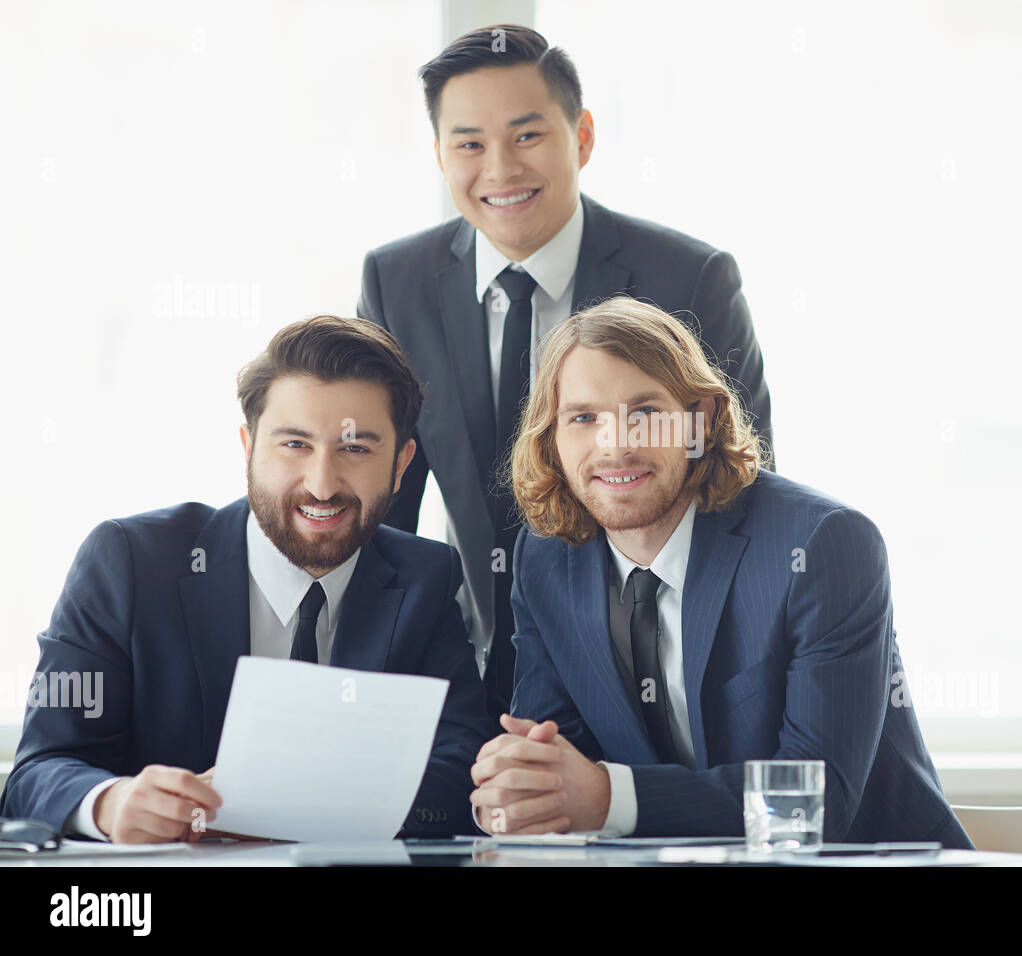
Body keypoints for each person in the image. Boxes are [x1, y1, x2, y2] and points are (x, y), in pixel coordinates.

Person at [358, 24, 774, 713]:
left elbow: (742, 486)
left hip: (644, 664)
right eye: (469, 144)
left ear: (581, 136)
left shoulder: (690, 278)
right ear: (439, 155)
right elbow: (383, 499)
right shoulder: (396, 280)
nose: (499, 170)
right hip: (463, 666)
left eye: (527, 136)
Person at [466, 297, 972, 847]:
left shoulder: (822, 544)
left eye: (646, 413)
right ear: (553, 439)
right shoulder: (545, 559)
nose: (616, 444)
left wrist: (611, 798)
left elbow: (813, 808)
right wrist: (520, 786)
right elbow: (555, 762)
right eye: (583, 418)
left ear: (700, 422)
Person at [0, 316, 494, 843]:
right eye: (295, 445)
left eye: (355, 448)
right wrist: (109, 804)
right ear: (248, 446)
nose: (322, 485)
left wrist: (298, 804)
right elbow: (38, 771)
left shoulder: (426, 577)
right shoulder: (129, 563)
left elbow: (462, 772)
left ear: (401, 465)